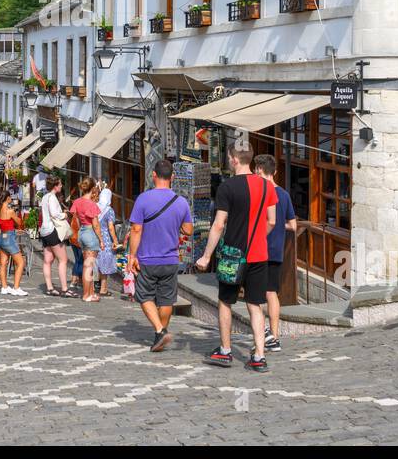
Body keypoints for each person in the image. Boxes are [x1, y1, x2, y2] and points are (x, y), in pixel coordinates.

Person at [195, 146, 277, 372]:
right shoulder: (267, 186)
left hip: (233, 255)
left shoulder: (227, 187)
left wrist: (206, 256)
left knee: (226, 301)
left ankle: (225, 350)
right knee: (255, 305)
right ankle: (259, 355)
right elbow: (272, 221)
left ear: (233, 160)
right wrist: (259, 237)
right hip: (259, 254)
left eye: (229, 157)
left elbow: (219, 224)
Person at [127, 160, 193, 352]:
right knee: (166, 299)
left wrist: (132, 256)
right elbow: (188, 230)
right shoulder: (181, 202)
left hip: (148, 258)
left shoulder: (143, 199)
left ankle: (159, 330)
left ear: (153, 175)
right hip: (171, 259)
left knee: (144, 295)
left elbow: (136, 229)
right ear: (172, 177)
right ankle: (161, 333)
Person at [253, 153, 295, 352]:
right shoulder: (284, 195)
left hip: (259, 248)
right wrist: (279, 227)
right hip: (277, 249)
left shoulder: (259, 193)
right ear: (275, 171)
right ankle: (274, 336)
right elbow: (293, 225)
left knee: (256, 296)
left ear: (259, 171)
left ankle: (261, 336)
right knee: (272, 293)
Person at [0, 192, 27, 296]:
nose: (11, 200)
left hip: (1, 238)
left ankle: (4, 287)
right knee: (21, 263)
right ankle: (16, 288)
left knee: (3, 263)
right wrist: (18, 217)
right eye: (10, 198)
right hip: (9, 239)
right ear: (7, 198)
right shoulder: (10, 211)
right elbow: (19, 223)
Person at [39, 177, 75, 297]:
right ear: (55, 186)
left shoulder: (44, 197)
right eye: (60, 184)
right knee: (63, 260)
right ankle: (65, 289)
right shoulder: (52, 198)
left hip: (44, 231)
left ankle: (49, 288)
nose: (61, 186)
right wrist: (64, 215)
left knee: (47, 260)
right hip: (52, 230)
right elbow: (55, 214)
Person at [70, 179, 103, 302]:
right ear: (93, 188)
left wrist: (80, 232)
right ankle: (86, 295)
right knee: (89, 266)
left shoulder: (77, 201)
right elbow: (96, 225)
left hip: (82, 232)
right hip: (90, 233)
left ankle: (90, 293)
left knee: (87, 264)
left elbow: (76, 219)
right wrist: (101, 240)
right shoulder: (91, 204)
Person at [96, 192, 120, 297]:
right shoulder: (109, 210)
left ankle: (95, 286)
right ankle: (103, 288)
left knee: (97, 262)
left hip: (95, 237)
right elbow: (111, 227)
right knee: (105, 262)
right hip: (105, 239)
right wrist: (115, 241)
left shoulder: (95, 207)